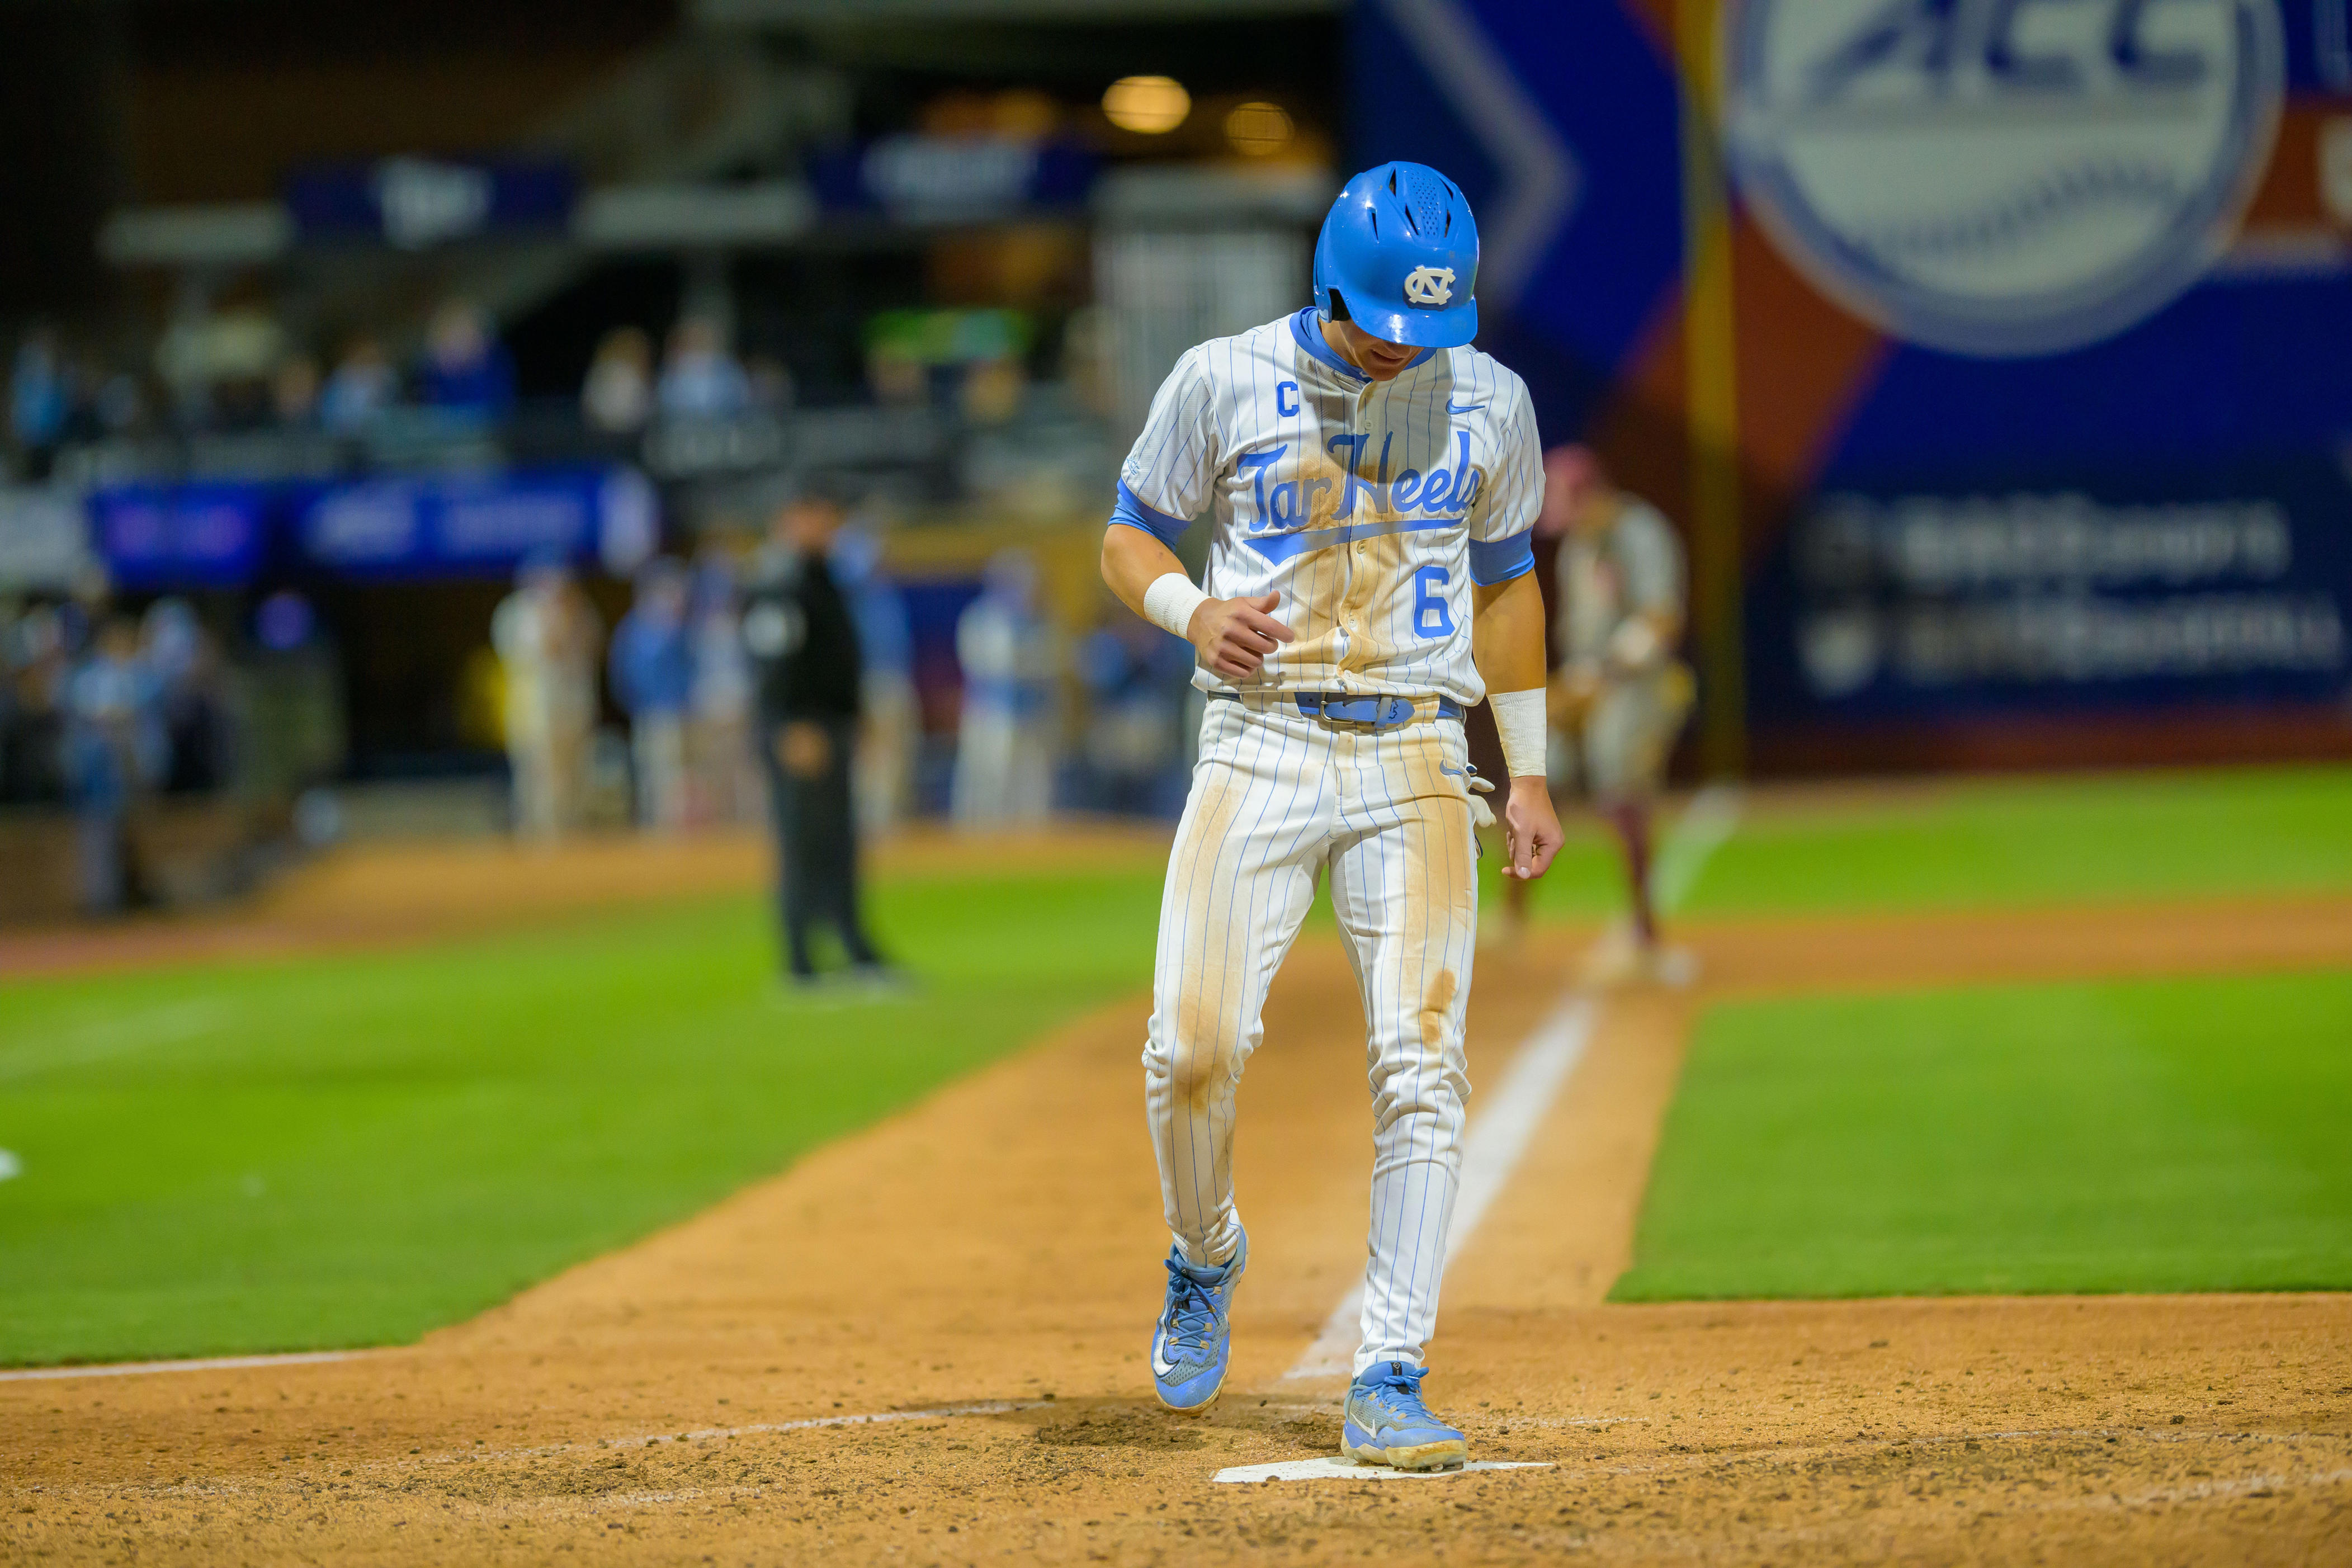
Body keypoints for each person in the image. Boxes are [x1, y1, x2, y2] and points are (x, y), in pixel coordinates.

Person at [1099, 162, 1559, 1470]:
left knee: (1420, 1067)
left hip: (1413, 750)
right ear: (1325, 289)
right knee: (1186, 1049)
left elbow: (1508, 583)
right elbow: (1127, 531)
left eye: (1432, 324)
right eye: (1383, 323)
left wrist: (1522, 770)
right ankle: (1205, 1252)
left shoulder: (1487, 399)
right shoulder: (1221, 378)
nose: (1407, 349)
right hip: (1256, 747)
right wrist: (1189, 610)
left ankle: (1391, 1367)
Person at [1515, 445, 1695, 978]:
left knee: (1618, 776)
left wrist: (1600, 677)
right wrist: (1570, 686)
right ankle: (1511, 923)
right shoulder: (1579, 546)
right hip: (1591, 681)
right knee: (1534, 769)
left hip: (1640, 683)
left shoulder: (1640, 533)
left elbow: (1661, 620)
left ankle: (1646, 929)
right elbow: (1578, 636)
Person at [740, 490, 893, 988]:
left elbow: (836, 656)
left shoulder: (822, 575)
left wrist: (856, 713)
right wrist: (788, 724)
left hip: (831, 724)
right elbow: (771, 661)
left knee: (838, 843)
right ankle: (800, 962)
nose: (827, 524)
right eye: (816, 514)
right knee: (802, 844)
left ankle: (852, 947)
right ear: (790, 519)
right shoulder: (778, 580)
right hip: (800, 729)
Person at [491, 554, 603, 839]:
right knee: (538, 776)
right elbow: (536, 653)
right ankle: (538, 836)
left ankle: (574, 831)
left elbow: (594, 647)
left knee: (576, 773)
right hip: (535, 710)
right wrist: (550, 621)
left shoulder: (581, 612)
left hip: (575, 707)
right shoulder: (517, 613)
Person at [950, 549, 1059, 828]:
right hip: (991, 714)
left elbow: (1051, 664)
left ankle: (1030, 846)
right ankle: (982, 840)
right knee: (989, 783)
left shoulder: (1040, 621)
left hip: (1031, 714)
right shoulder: (980, 618)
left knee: (1032, 785)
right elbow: (986, 669)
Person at [829, 522, 918, 836]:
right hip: (867, 680)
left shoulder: (885, 593)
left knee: (895, 757)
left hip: (893, 679)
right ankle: (866, 822)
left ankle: (888, 820)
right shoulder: (850, 592)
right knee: (866, 757)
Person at [608, 558, 697, 832]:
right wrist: (638, 706)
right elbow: (624, 675)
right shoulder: (635, 628)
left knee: (683, 777)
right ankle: (654, 829)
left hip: (683, 713)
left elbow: (691, 669)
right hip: (651, 714)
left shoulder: (680, 628)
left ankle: (680, 831)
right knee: (654, 774)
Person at [418, 300, 515, 418]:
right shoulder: (431, 377)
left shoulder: (497, 367)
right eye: (451, 337)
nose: (458, 344)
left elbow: (496, 409)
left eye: (465, 334)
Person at [654, 317, 753, 422]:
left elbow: (741, 403)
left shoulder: (729, 370)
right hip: (682, 430)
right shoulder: (672, 371)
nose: (699, 341)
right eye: (694, 337)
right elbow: (664, 404)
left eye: (703, 336)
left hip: (722, 429)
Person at [582, 327, 654, 436]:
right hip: (604, 435)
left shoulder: (638, 376)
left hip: (631, 435)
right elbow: (593, 409)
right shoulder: (609, 372)